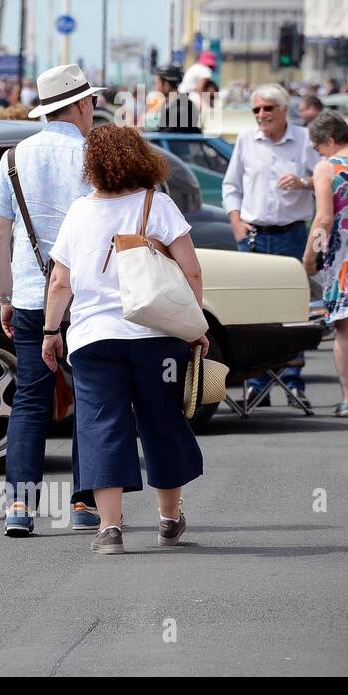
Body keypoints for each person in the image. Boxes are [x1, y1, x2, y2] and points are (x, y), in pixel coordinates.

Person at [43, 123, 207, 554]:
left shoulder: (80, 211)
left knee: (101, 426)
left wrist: (50, 331)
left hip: (94, 338)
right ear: (139, 158)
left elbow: (60, 281)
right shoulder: (160, 204)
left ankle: (110, 529)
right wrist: (196, 326)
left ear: (92, 165)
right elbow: (191, 269)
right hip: (157, 334)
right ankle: (169, 519)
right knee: (163, 421)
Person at [0, 63, 101, 536]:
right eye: (92, 101)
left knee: (32, 399)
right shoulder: (95, 156)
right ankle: (84, 503)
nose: (94, 109)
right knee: (92, 398)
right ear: (77, 105)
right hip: (90, 297)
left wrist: (5, 297)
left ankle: (20, 506)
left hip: (33, 296)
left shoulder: (13, 158)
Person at [222, 83, 320, 406]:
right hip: (253, 236)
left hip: (291, 234)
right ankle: (256, 383)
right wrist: (236, 222)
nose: (261, 115)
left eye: (268, 108)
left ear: (284, 109)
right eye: (256, 110)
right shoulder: (247, 142)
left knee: (293, 310)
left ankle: (293, 382)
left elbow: (324, 181)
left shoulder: (304, 140)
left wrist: (303, 182)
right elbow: (231, 186)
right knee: (251, 313)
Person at [301, 111, 348, 416]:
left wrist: (310, 255)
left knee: (346, 328)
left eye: (318, 147)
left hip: (344, 255)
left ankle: (347, 398)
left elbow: (324, 218)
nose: (318, 153)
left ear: (329, 140)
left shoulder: (327, 167)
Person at [150, 64, 198, 132]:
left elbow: (168, 133)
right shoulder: (170, 104)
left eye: (157, 83)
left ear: (166, 84)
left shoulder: (183, 107)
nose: (156, 87)